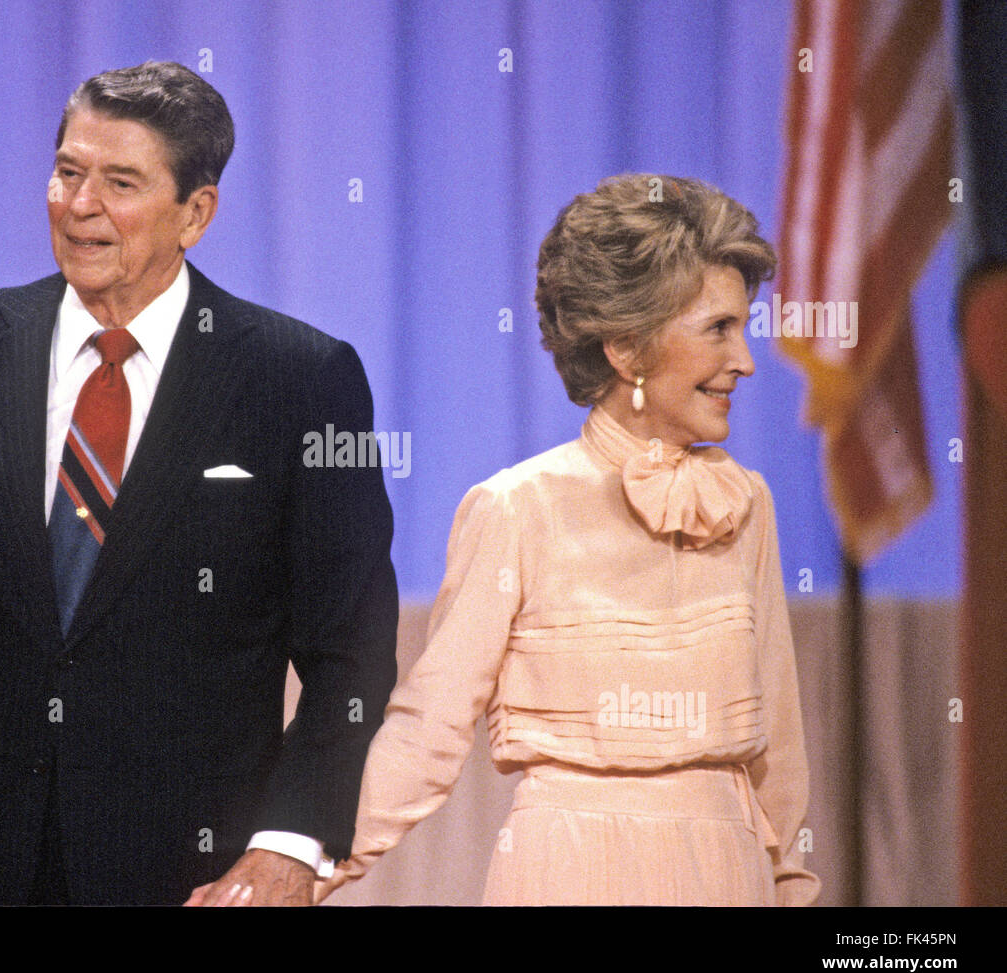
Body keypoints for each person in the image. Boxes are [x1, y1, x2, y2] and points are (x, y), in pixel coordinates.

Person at [0, 62, 398, 906]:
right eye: (68, 172)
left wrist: (291, 842)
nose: (78, 204)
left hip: (188, 874)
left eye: (120, 182)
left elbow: (349, 657)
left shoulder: (301, 378)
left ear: (196, 213)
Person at [317, 174, 820, 906]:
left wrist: (795, 893)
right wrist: (297, 869)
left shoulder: (747, 503)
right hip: (571, 871)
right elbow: (426, 733)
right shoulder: (518, 507)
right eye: (719, 328)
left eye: (744, 327)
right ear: (626, 348)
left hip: (728, 874)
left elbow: (781, 754)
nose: (745, 360)